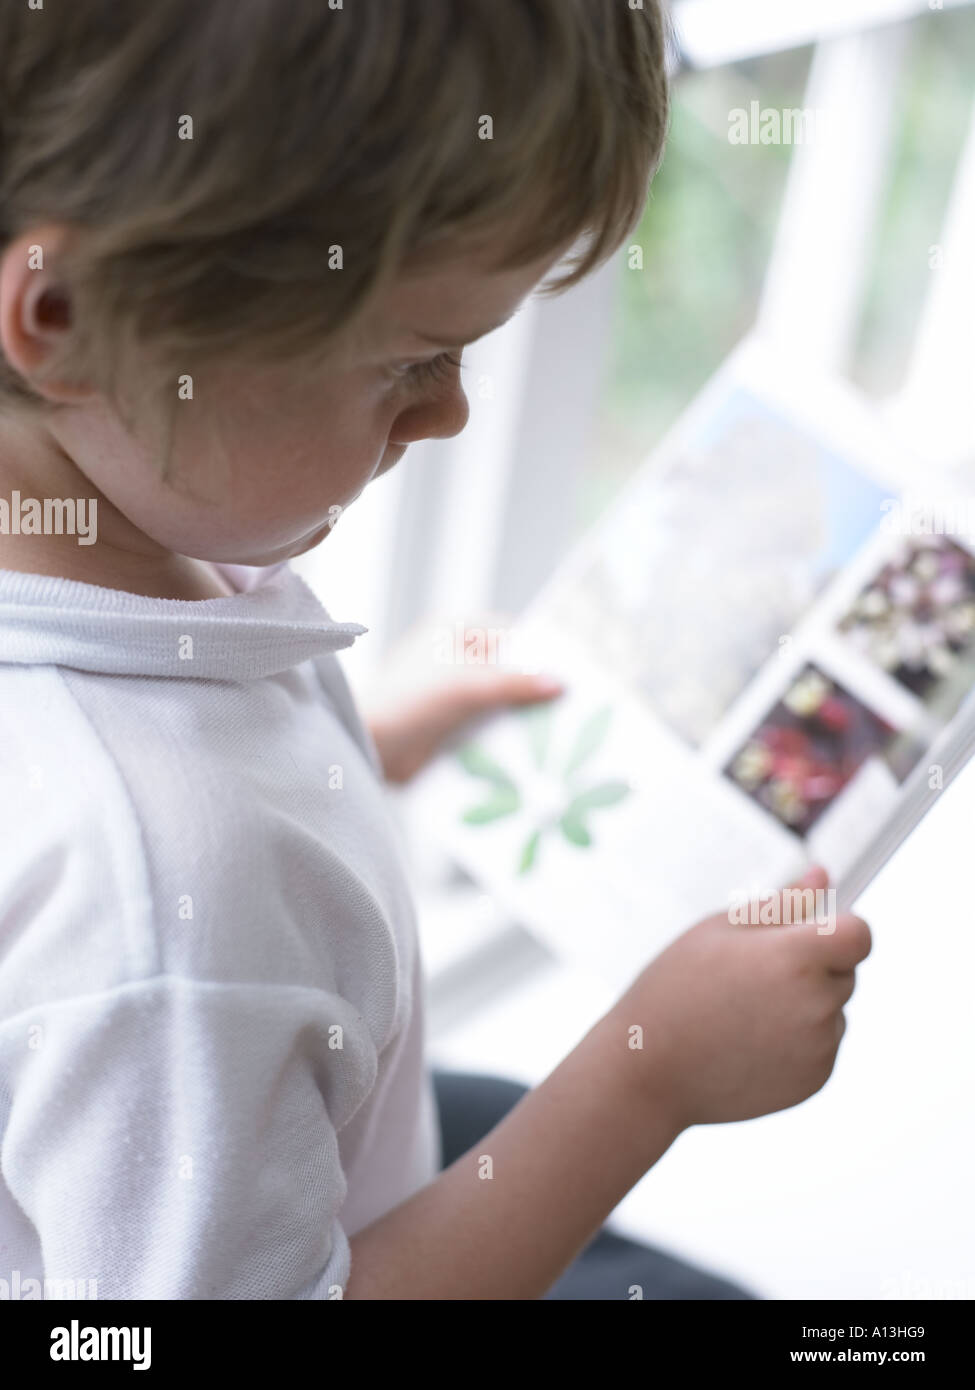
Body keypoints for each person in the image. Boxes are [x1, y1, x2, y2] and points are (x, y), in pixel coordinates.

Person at [0, 0, 870, 1300]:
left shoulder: (109, 525)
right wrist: (648, 1070)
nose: (455, 410)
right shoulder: (170, 911)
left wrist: (362, 727)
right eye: (412, 360)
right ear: (63, 313)